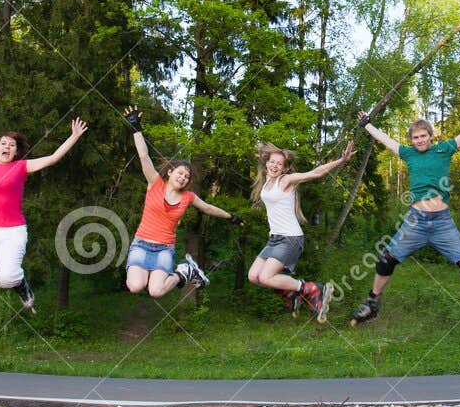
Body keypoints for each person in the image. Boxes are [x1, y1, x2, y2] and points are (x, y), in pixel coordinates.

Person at [350, 105, 460, 339]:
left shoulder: (444, 150)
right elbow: (385, 140)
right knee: (385, 261)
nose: (419, 140)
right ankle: (372, 303)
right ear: (412, 140)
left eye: (423, 136)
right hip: (415, 222)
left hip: (442, 224)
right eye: (415, 137)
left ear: (431, 136)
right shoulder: (408, 154)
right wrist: (367, 124)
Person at [0, 99, 87, 333]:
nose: (7, 147)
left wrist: (73, 136)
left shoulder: (22, 167)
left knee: (5, 277)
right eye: (3, 143)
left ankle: (22, 286)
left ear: (16, 151)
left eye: (12, 145)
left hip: (13, 231)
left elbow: (53, 158)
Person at [123, 105, 240, 298]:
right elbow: (144, 155)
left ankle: (184, 271)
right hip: (141, 244)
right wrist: (136, 128)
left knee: (156, 291)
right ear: (170, 172)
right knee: (135, 286)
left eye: (187, 177)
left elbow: (208, 208)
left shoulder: (188, 197)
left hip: (164, 249)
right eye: (180, 173)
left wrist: (230, 217)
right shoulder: (155, 183)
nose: (183, 178)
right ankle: (186, 270)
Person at [248, 139, 356, 324]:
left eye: (279, 164)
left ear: (285, 168)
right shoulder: (267, 181)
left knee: (265, 277)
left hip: (290, 238)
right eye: (272, 162)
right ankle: (291, 294)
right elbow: (263, 157)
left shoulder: (285, 181)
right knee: (253, 276)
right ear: (266, 163)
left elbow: (316, 173)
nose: (275, 166)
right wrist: (260, 151)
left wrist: (341, 160)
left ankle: (314, 289)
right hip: (274, 239)